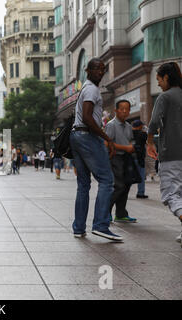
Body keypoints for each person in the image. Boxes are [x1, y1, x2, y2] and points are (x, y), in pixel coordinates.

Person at [69, 57, 123, 241]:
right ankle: (101, 225)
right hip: (86, 136)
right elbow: (87, 116)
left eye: (103, 69)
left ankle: (78, 227)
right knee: (107, 180)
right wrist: (106, 138)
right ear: (88, 71)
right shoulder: (91, 89)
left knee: (83, 184)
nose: (101, 72)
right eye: (97, 69)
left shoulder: (86, 87)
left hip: (76, 136)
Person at [146, 62, 182, 246]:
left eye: (159, 79)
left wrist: (150, 141)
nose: (158, 83)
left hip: (172, 152)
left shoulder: (165, 97)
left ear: (166, 77)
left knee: (170, 194)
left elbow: (154, 121)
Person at [105, 100, 138, 223]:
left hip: (127, 158)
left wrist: (133, 146)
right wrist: (126, 147)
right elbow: (107, 143)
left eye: (127, 109)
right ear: (116, 110)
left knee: (126, 185)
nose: (124, 111)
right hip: (115, 158)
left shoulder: (129, 126)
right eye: (122, 108)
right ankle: (105, 212)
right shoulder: (111, 125)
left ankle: (121, 213)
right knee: (118, 186)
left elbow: (130, 141)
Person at [132, 120, 149, 199]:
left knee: (127, 175)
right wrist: (146, 130)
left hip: (130, 157)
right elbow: (148, 139)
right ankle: (140, 193)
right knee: (141, 176)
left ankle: (122, 192)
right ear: (140, 126)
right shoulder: (142, 134)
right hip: (139, 158)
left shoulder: (129, 133)